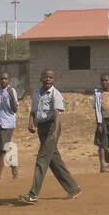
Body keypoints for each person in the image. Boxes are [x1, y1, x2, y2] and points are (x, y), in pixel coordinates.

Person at [19, 70, 82, 204]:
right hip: (41, 128)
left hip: (52, 127)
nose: (48, 79)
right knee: (54, 160)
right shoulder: (37, 94)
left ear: (54, 80)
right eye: (46, 77)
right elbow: (33, 111)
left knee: (42, 159)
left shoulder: (55, 93)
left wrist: (54, 132)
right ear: (41, 78)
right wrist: (30, 123)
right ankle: (73, 188)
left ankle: (33, 194)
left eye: (51, 77)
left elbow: (57, 114)